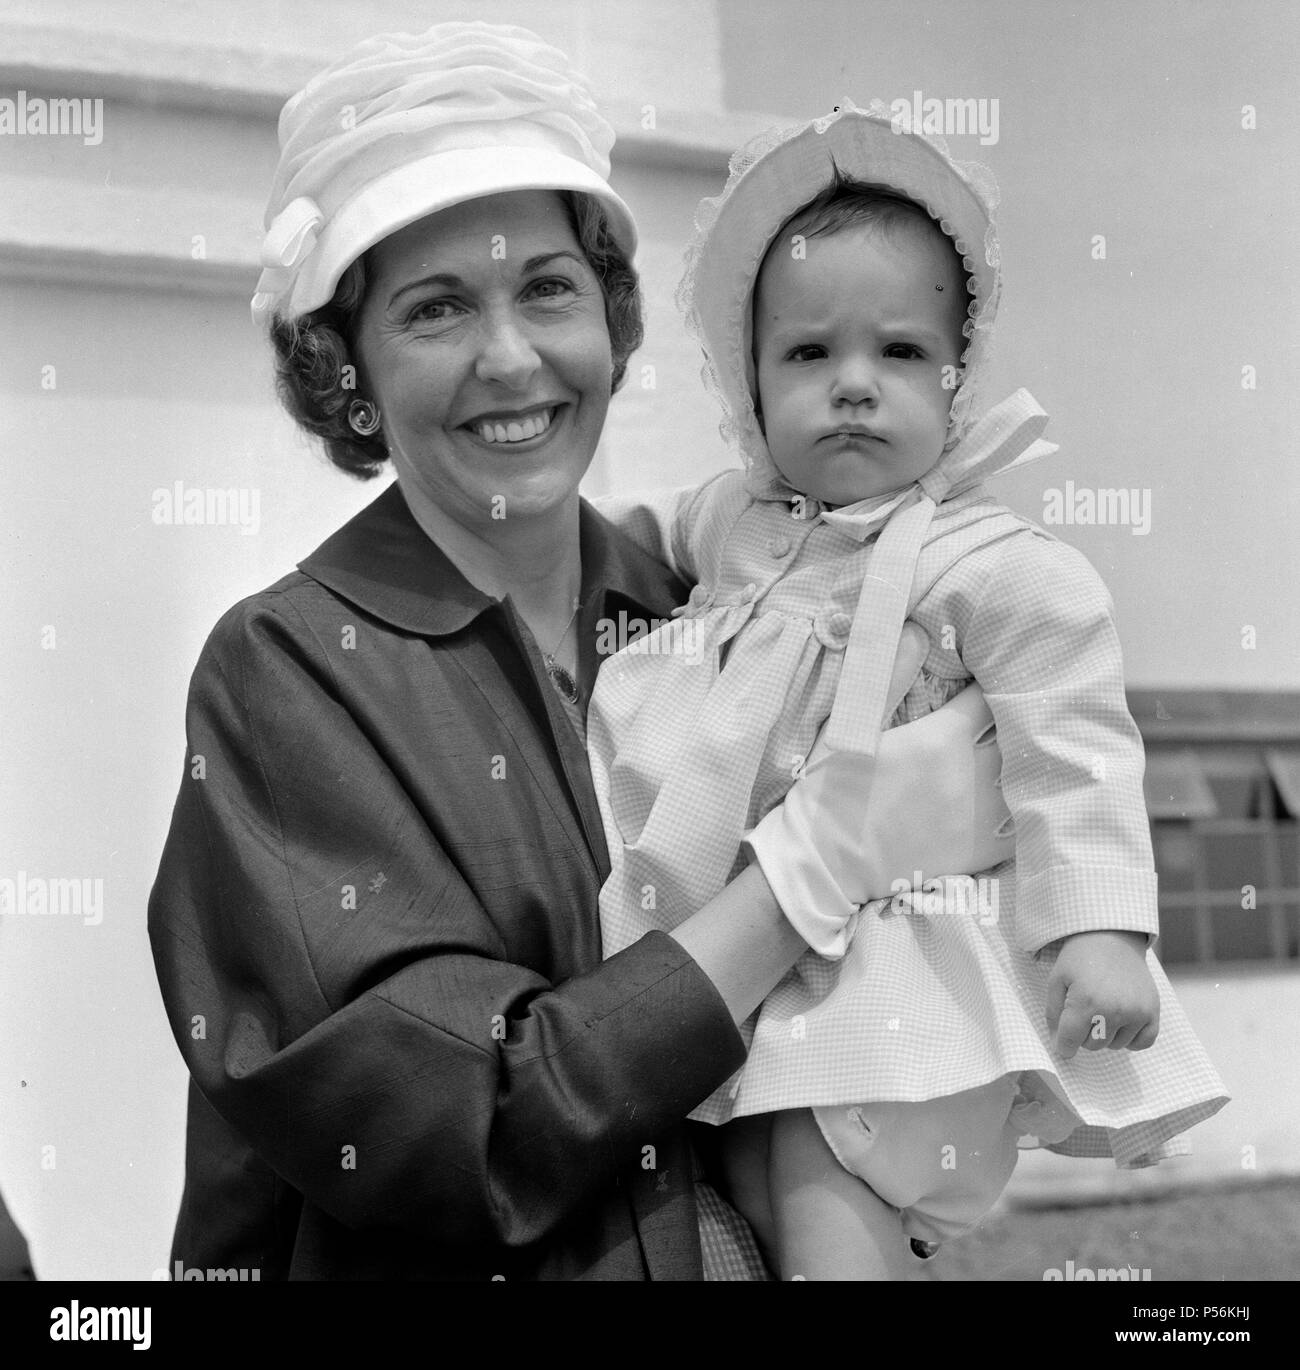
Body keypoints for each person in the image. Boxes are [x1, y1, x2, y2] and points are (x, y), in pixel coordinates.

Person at [146, 28, 1013, 1281]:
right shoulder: (287, 674)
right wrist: (818, 864)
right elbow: (467, 1126)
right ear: (349, 375)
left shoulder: (704, 610)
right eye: (435, 307)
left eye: (548, 288)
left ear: (611, 322)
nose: (512, 359)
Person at [589, 102, 1230, 1280]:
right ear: (747, 381)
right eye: (805, 353)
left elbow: (1069, 737)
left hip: (896, 976)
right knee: (757, 1183)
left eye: (895, 353)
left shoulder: (983, 559)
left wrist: (1100, 927)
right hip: (767, 971)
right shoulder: (733, 516)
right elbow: (614, 537)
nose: (849, 385)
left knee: (821, 1181)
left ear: (957, 377)